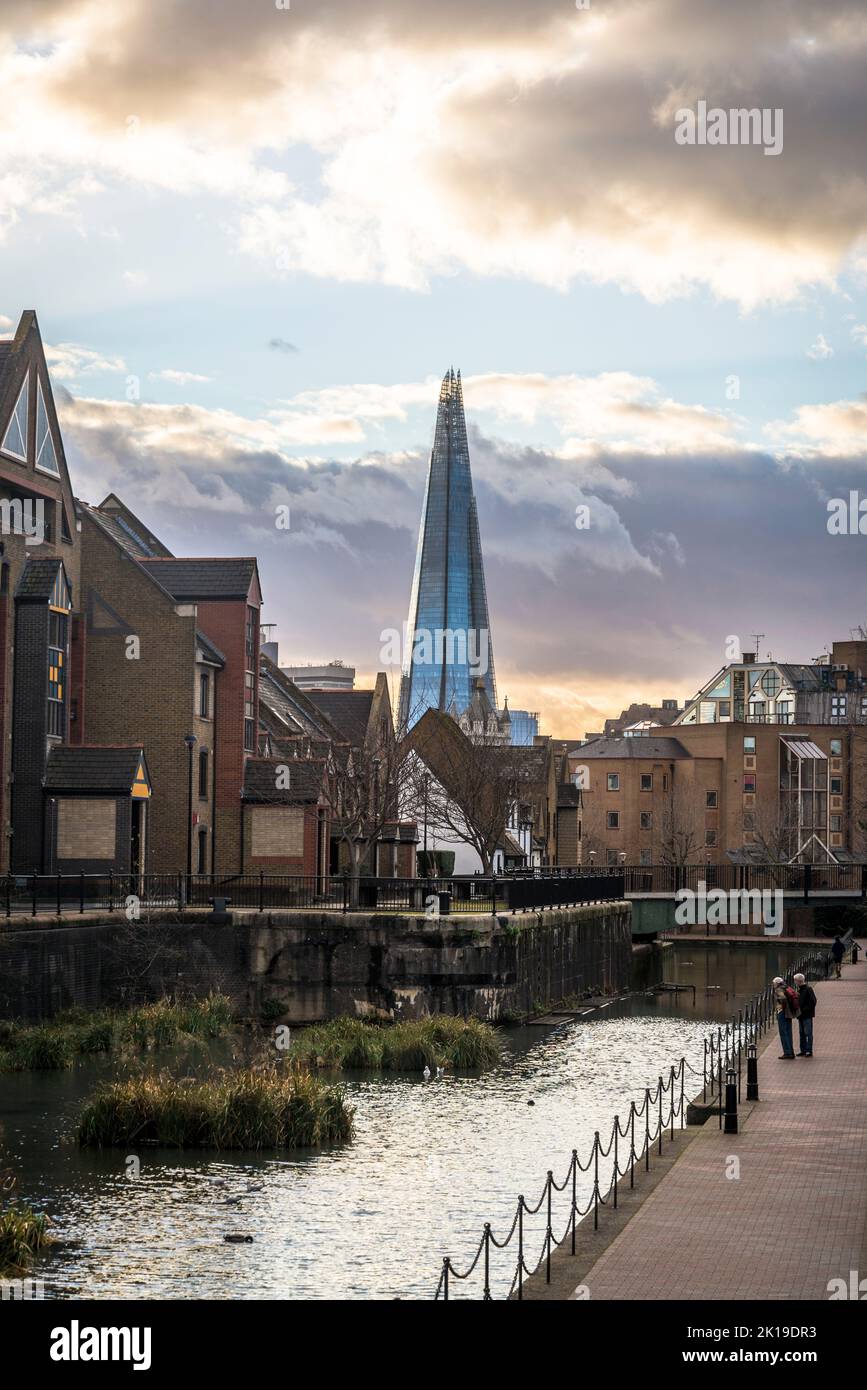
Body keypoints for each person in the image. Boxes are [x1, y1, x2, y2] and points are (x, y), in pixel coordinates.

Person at [773, 975, 797, 1059]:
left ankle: (787, 1052)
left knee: (783, 1032)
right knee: (788, 1032)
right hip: (789, 1013)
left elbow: (783, 998)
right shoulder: (786, 987)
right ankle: (791, 1051)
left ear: (777, 983)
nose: (773, 985)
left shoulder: (779, 989)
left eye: (774, 983)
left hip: (782, 1013)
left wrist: (782, 1007)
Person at [794, 972, 817, 1057]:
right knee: (801, 1033)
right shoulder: (800, 989)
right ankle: (803, 1050)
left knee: (808, 1032)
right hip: (801, 1015)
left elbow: (813, 1001)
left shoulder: (808, 989)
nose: (795, 982)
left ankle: (809, 1050)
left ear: (799, 981)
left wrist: (804, 1009)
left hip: (807, 1015)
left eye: (795, 981)